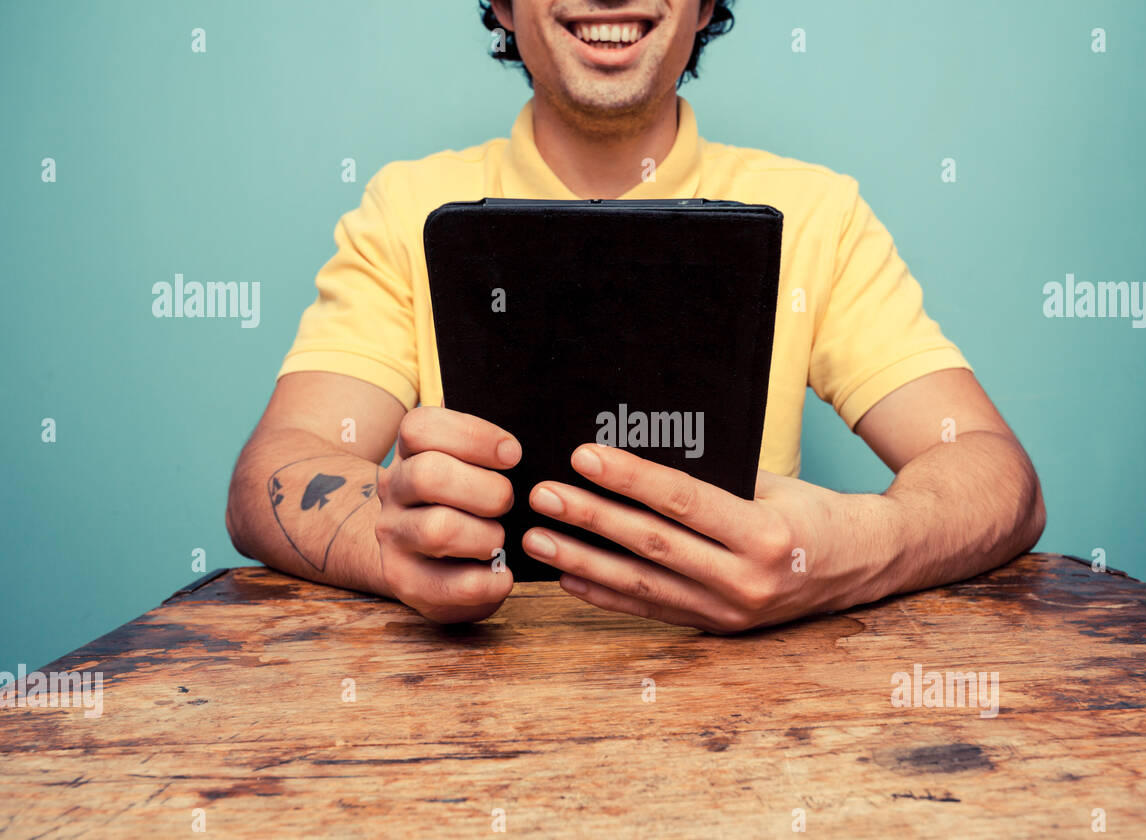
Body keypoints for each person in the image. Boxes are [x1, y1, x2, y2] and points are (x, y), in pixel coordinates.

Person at [226, 1, 1046, 632]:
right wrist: (386, 541)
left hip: (749, 717)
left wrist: (848, 552)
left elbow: (993, 470)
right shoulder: (406, 209)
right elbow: (279, 468)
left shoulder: (818, 212)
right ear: (504, 5)